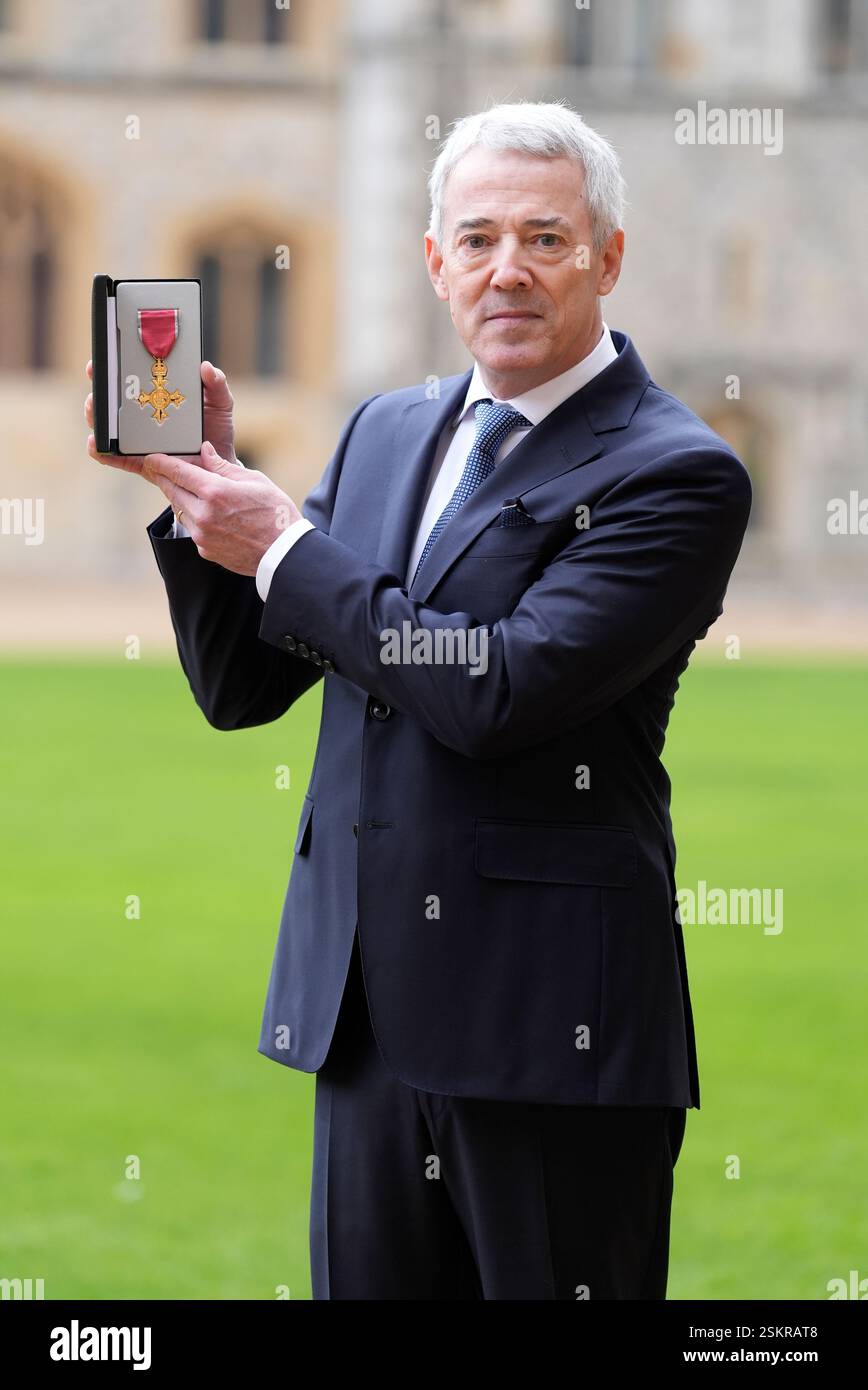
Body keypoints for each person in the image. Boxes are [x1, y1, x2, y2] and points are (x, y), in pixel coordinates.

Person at [85, 101, 752, 1300]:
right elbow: (248, 686)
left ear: (607, 258)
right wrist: (207, 499)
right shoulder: (388, 429)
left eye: (546, 240)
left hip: (551, 1031)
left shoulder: (676, 470)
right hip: (366, 1022)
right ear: (435, 259)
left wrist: (285, 545)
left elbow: (496, 689)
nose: (509, 270)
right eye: (479, 237)